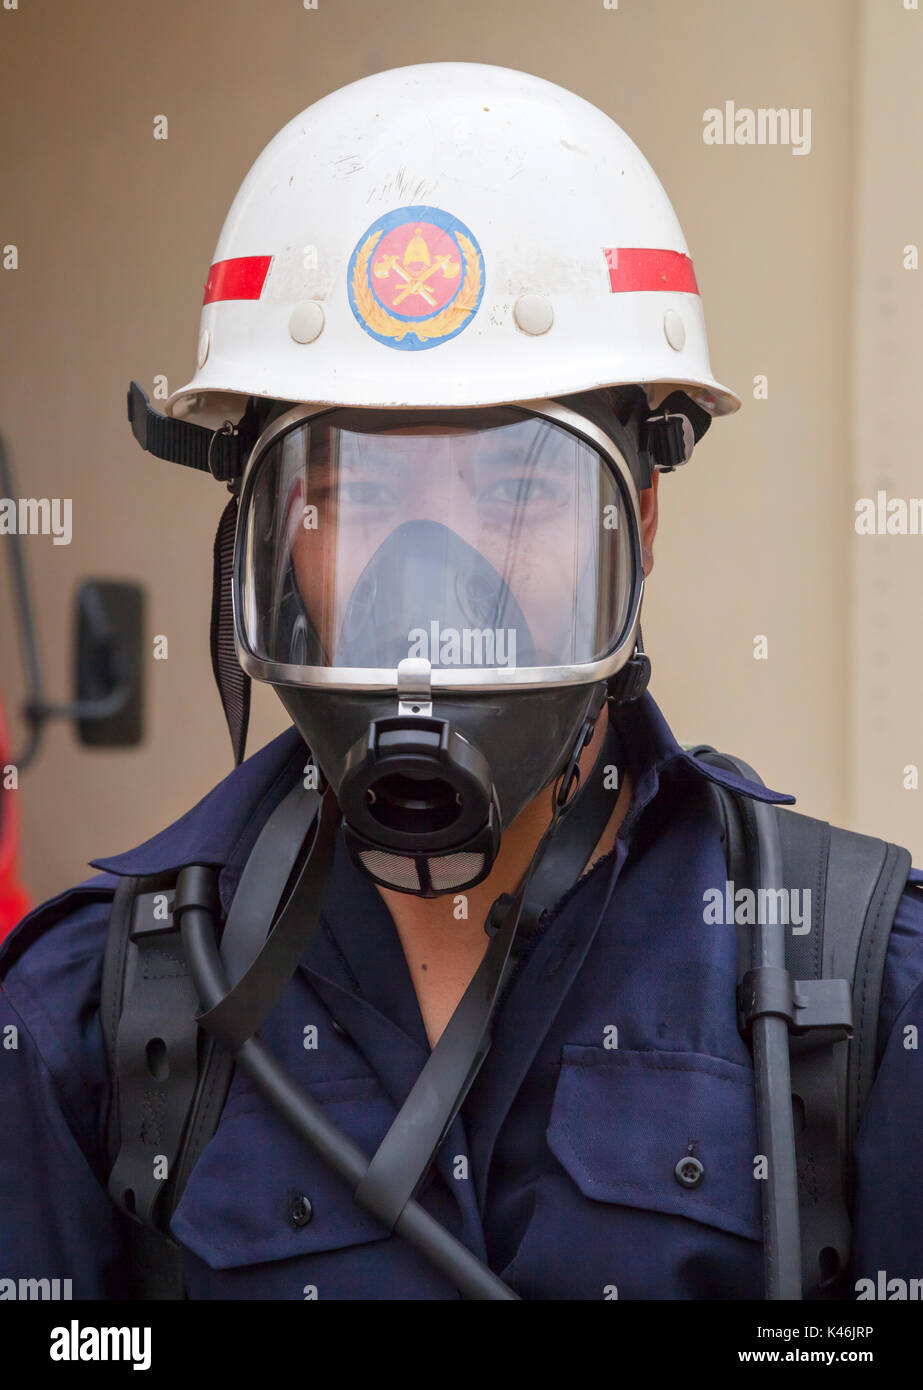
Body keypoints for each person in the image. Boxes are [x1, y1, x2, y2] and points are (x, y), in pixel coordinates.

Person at [2, 61, 921, 1303]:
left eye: (512, 489)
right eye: (355, 493)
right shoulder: (88, 1019)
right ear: (269, 543)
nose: (426, 580)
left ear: (638, 521)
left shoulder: (855, 983)